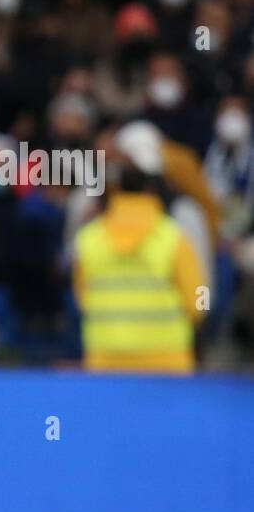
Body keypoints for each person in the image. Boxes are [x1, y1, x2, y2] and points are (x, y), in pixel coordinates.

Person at [73, 148, 206, 373]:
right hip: (168, 359)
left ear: (117, 190)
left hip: (106, 357)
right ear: (150, 190)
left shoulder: (88, 238)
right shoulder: (173, 236)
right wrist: (201, 316)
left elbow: (82, 298)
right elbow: (199, 295)